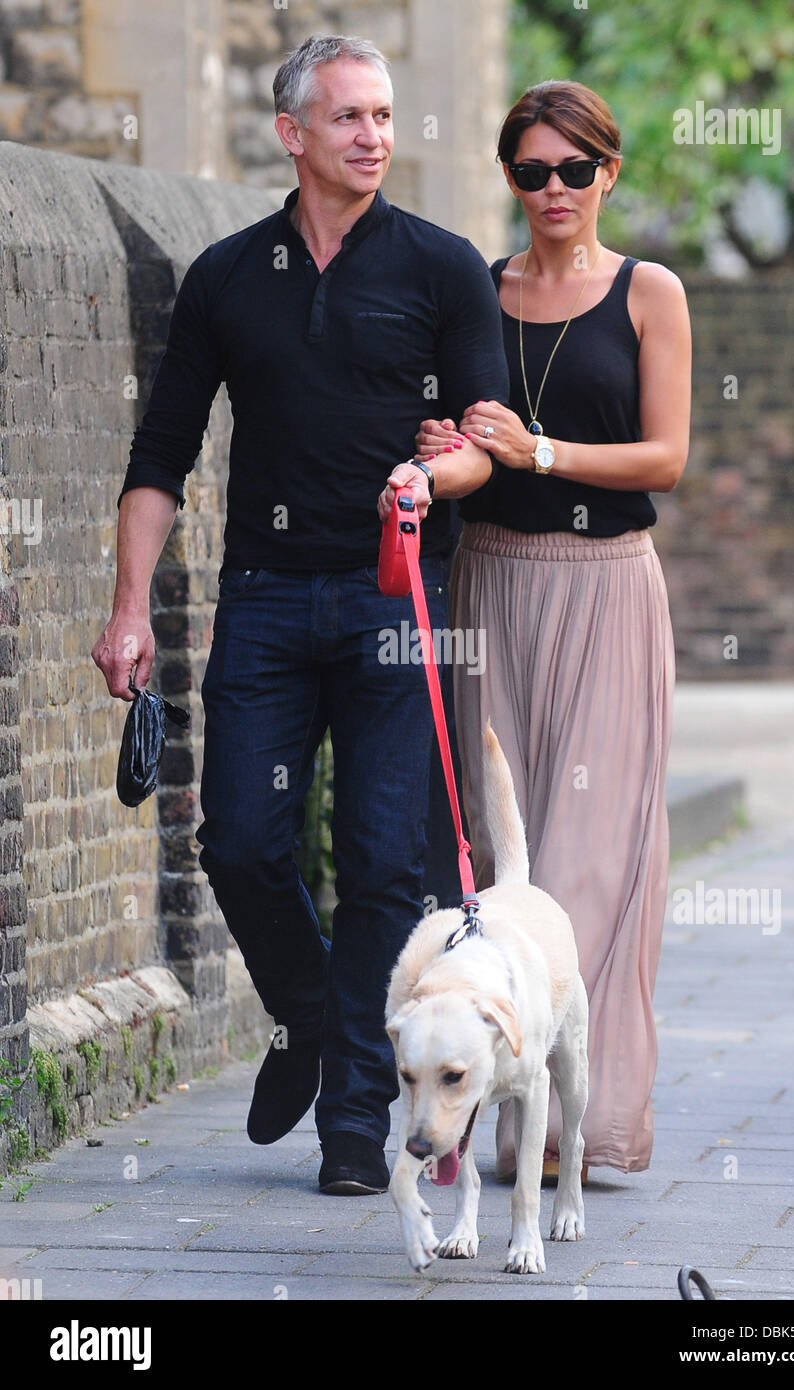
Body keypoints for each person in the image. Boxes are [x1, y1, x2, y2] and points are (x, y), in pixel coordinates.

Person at [91, 34, 509, 1196]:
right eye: (349, 118)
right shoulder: (228, 276)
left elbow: (489, 437)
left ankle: (354, 1120)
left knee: (381, 867)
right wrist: (130, 610)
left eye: (382, 115)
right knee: (238, 840)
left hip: (392, 599)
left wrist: (440, 475)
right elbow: (160, 454)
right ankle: (312, 1016)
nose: (376, 135)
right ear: (292, 134)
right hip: (266, 600)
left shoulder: (441, 267)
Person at [416, 80, 691, 1180]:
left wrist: (544, 452)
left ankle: (583, 1128)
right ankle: (484, 1108)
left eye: (575, 169)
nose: (554, 190)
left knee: (583, 865)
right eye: (532, 171)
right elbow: (468, 445)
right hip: (494, 587)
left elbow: (666, 457)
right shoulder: (479, 290)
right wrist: (451, 444)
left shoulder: (649, 292)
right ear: (510, 179)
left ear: (608, 174)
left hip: (611, 591)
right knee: (494, 852)